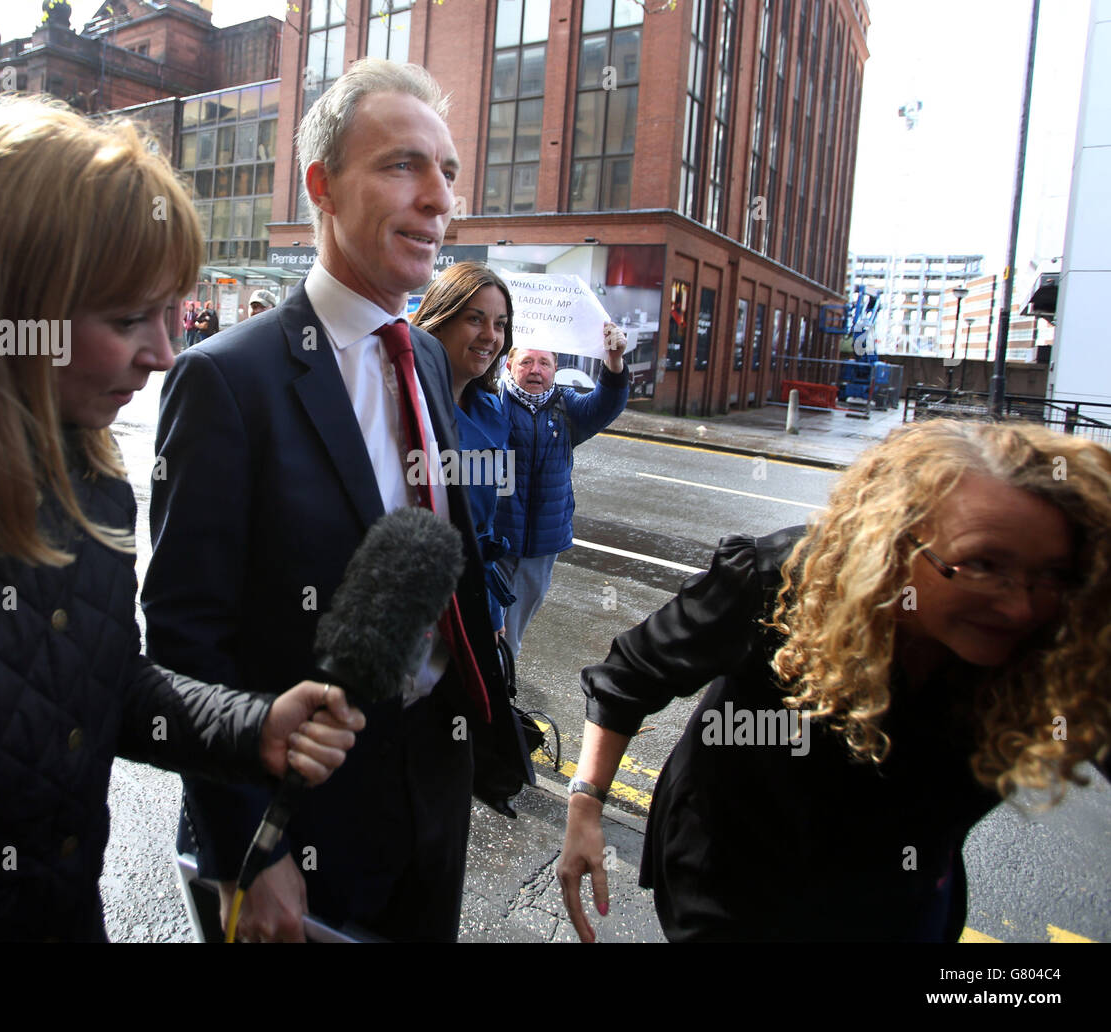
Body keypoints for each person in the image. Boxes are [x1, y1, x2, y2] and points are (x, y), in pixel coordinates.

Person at [0, 97, 364, 942]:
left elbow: (99, 680)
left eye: (169, 313)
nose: (165, 354)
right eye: (127, 318)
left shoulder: (89, 474)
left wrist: (249, 728)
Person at [142, 58, 529, 943]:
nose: (439, 199)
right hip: (303, 807)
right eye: (402, 165)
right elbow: (185, 639)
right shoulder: (226, 380)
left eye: (448, 173)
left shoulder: (424, 354)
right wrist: (250, 847)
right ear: (320, 186)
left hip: (434, 779)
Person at [557, 419, 1111, 942]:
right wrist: (585, 807)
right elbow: (631, 673)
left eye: (1052, 574)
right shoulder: (781, 584)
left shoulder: (1066, 637)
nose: (1019, 607)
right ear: (899, 542)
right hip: (735, 886)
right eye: (983, 565)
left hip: (903, 898)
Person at [495, 333, 629, 659]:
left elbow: (607, 403)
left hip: (542, 545)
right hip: (496, 542)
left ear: (556, 368)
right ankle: (485, 681)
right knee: (486, 624)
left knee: (512, 633)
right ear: (510, 366)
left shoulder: (566, 406)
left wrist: (614, 361)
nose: (535, 370)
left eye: (544, 362)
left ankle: (500, 680)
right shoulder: (493, 402)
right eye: (526, 361)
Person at [411, 261, 515, 632]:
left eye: (500, 324)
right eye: (475, 319)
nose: (490, 336)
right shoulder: (405, 403)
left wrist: (492, 611)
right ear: (439, 321)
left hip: (475, 597)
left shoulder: (491, 409)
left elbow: (485, 521)